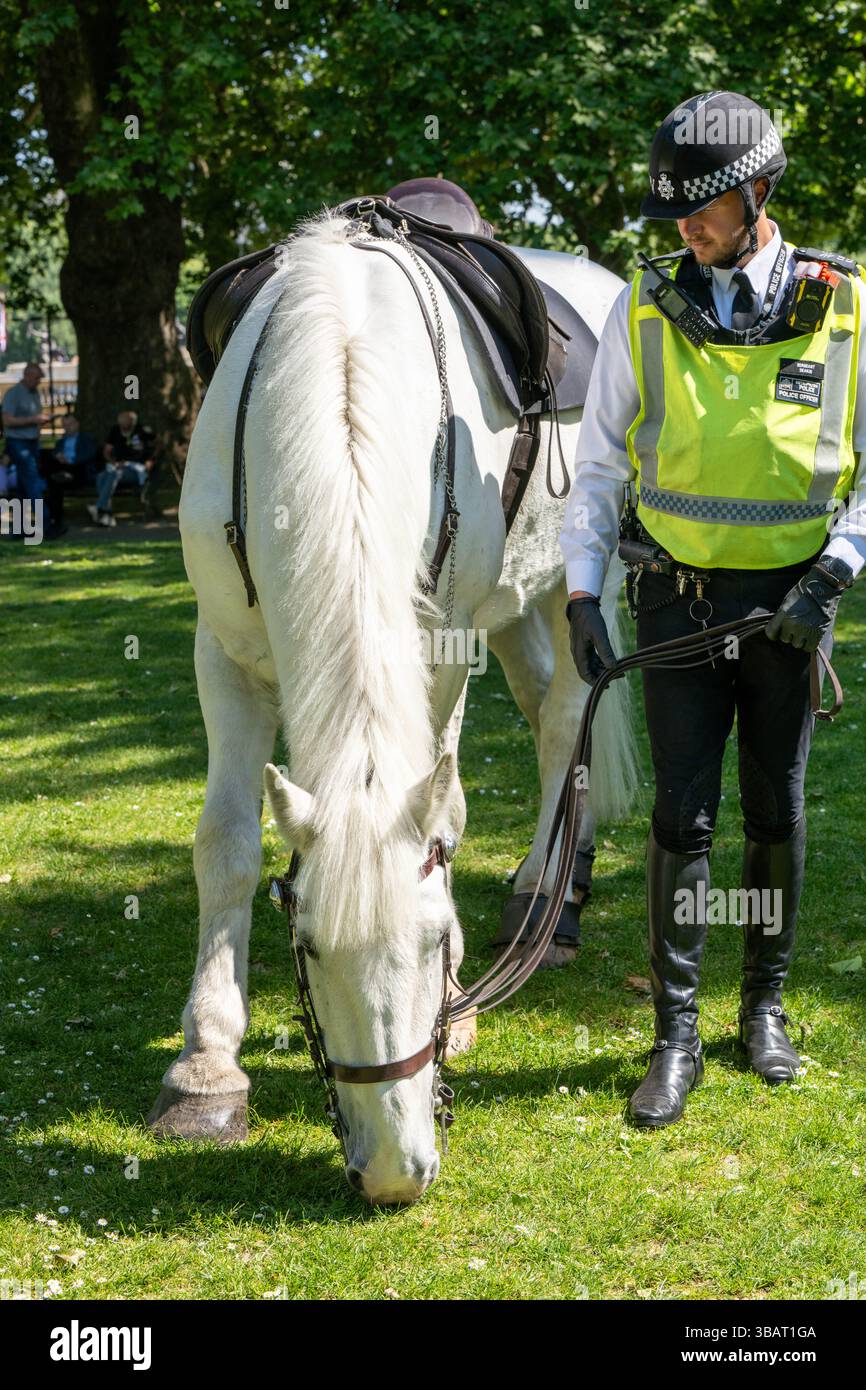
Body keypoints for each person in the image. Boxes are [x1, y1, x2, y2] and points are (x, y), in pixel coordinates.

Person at [559, 91, 866, 1127]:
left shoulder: (845, 305)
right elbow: (598, 468)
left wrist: (829, 577)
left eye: (705, 209)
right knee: (681, 817)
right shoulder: (642, 306)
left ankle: (763, 1010)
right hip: (674, 600)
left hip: (791, 605)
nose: (687, 228)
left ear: (758, 192)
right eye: (676, 214)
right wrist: (582, 592)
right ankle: (676, 1034)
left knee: (774, 809)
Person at [87, 409, 157, 526]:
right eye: (121, 421)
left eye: (126, 421)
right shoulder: (115, 431)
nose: (123, 423)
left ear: (133, 421)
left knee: (114, 473)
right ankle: (106, 515)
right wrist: (113, 462)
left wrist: (150, 461)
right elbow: (107, 451)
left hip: (136, 469)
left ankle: (100, 508)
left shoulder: (142, 431)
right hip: (117, 467)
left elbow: (157, 445)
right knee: (101, 476)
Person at [1, 362, 50, 512]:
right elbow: (7, 421)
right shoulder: (13, 394)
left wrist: (39, 423)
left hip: (32, 442)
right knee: (32, 481)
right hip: (18, 443)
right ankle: (45, 520)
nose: (39, 381)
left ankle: (20, 522)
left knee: (23, 485)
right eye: (36, 378)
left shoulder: (34, 393)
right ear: (26, 376)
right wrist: (33, 420)